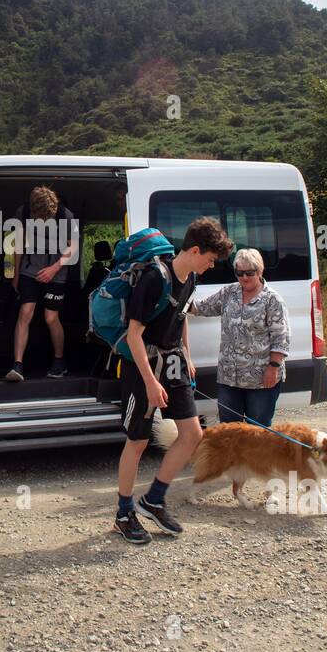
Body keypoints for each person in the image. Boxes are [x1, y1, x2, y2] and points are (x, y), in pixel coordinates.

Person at [114, 217, 234, 544]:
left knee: (192, 435)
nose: (211, 267)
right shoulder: (154, 278)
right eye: (210, 260)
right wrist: (150, 383)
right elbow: (134, 335)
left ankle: (153, 499)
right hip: (142, 366)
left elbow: (181, 317)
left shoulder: (191, 277)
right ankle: (124, 513)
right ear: (195, 250)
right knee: (137, 441)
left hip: (173, 362)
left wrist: (187, 355)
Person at [188, 247, 290, 428]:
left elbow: (281, 339)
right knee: (229, 431)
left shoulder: (272, 300)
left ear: (260, 271)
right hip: (229, 378)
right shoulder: (229, 293)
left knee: (257, 431)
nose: (244, 278)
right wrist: (178, 297)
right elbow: (201, 307)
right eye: (239, 273)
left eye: (249, 273)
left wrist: (273, 368)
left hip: (260, 380)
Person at [6, 186, 78, 381]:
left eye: (48, 217)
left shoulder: (65, 215)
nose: (45, 220)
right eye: (41, 217)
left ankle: (59, 361)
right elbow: (19, 244)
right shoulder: (24, 212)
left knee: (50, 318)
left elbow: (73, 248)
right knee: (25, 312)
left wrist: (54, 268)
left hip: (57, 271)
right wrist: (16, 274)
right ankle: (17, 365)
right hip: (29, 270)